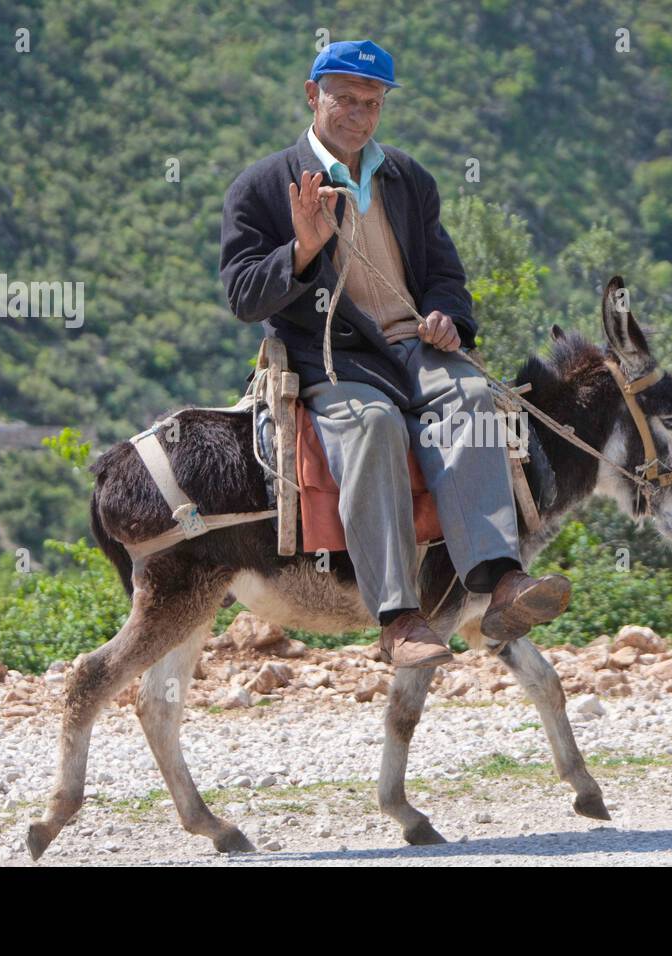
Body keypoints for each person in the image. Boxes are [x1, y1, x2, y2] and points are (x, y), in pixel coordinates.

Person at [219, 39, 570, 669]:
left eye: (371, 102)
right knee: (373, 424)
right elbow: (243, 294)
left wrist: (447, 317)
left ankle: (498, 581)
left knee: (468, 396)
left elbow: (444, 274)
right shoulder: (263, 186)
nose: (358, 113)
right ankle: (398, 617)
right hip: (333, 358)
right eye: (345, 98)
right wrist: (298, 254)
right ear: (311, 95)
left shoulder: (408, 178)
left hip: (415, 345)